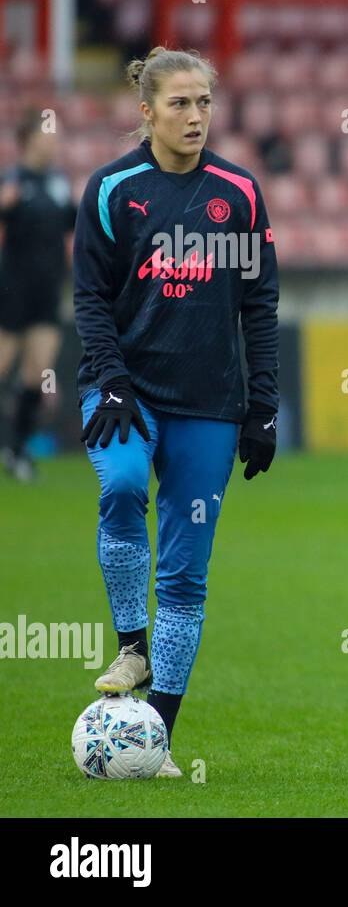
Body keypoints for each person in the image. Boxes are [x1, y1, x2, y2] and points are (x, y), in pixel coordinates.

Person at [74, 46, 279, 776]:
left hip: (210, 403)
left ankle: (156, 739)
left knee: (187, 576)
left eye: (204, 103)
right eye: (180, 104)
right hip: (124, 386)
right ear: (147, 112)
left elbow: (260, 304)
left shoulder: (240, 193)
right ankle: (132, 645)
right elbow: (90, 297)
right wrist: (111, 378)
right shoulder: (112, 189)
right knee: (123, 484)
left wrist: (264, 405)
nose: (195, 117)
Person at [0, 109, 77, 481]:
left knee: (38, 372)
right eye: (49, 134)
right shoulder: (12, 181)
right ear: (29, 139)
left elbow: (74, 223)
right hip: (12, 288)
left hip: (48, 290)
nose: (54, 141)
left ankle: (18, 450)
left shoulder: (59, 183)